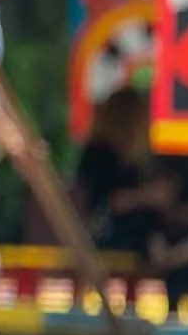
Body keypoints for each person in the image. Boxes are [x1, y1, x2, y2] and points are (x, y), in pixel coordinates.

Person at [75, 86, 175, 268]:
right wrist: (149, 195)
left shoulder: (131, 162)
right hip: (108, 240)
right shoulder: (99, 155)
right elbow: (106, 201)